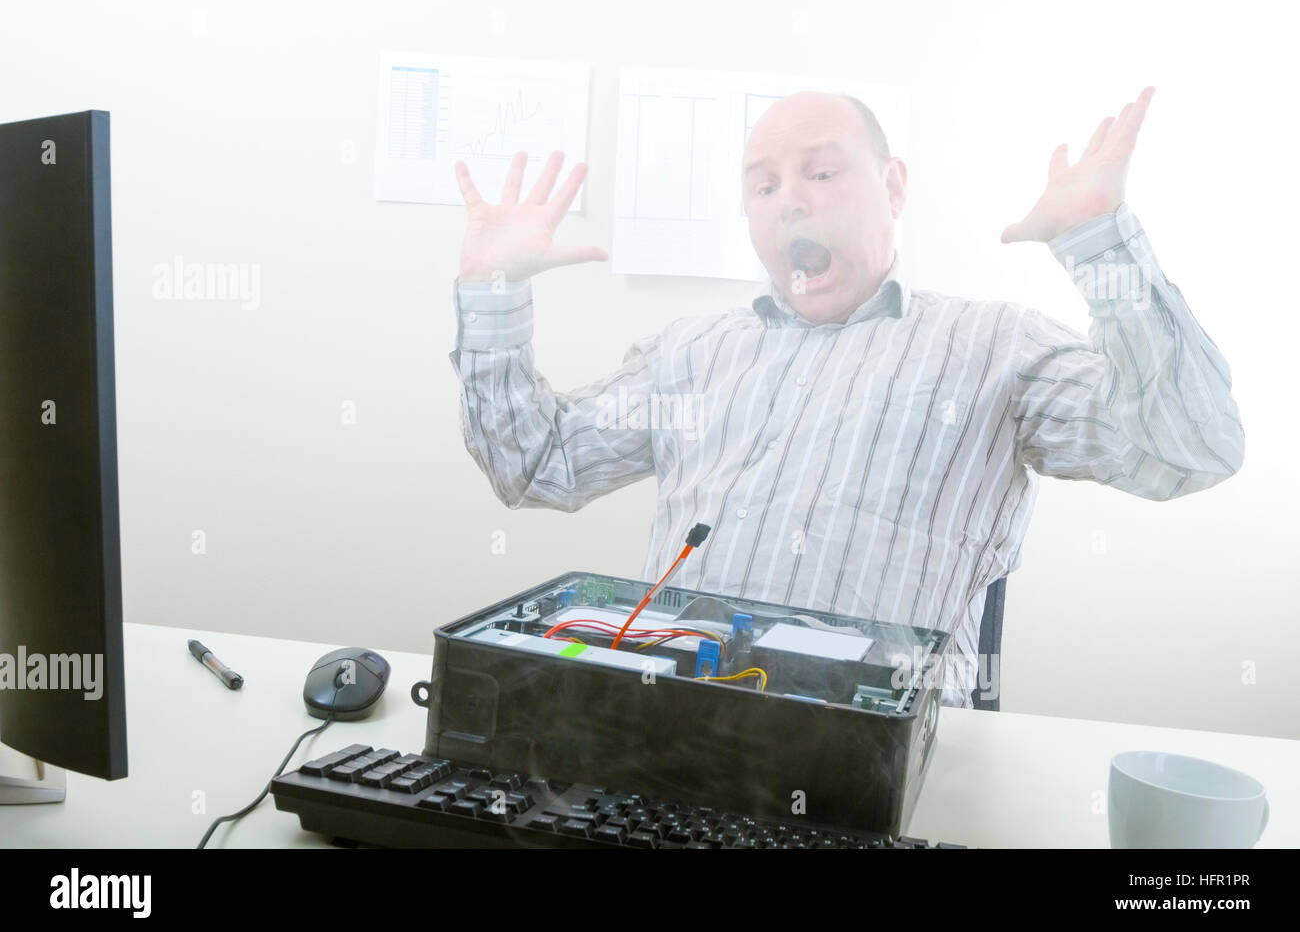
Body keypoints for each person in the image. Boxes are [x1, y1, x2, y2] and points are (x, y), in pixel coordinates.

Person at [448, 87, 1243, 707]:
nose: (790, 199)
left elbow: (1190, 449)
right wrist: (491, 294)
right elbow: (537, 465)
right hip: (680, 744)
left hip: (879, 769)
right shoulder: (688, 356)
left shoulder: (996, 347)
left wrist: (1099, 244)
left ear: (893, 187)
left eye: (821, 173)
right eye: (763, 186)